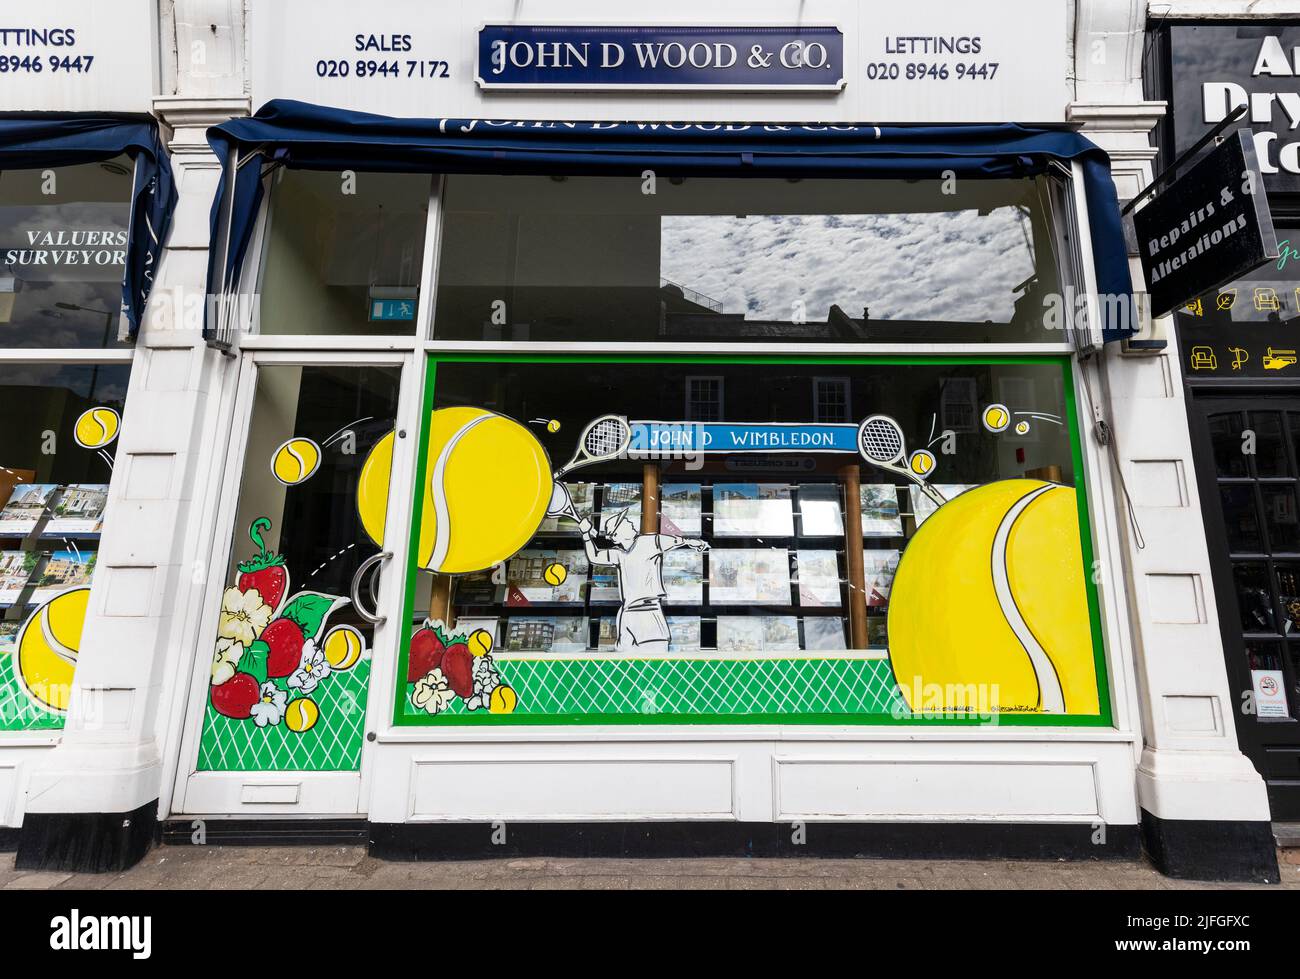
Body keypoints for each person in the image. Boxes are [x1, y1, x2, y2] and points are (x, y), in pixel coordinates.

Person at [576, 505, 708, 651]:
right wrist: (586, 535)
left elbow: (676, 541)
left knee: (640, 661)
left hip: (643, 610)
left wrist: (692, 542)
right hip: (639, 613)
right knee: (647, 661)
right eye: (624, 522)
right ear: (615, 536)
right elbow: (594, 557)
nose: (630, 522)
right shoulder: (622, 553)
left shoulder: (647, 542)